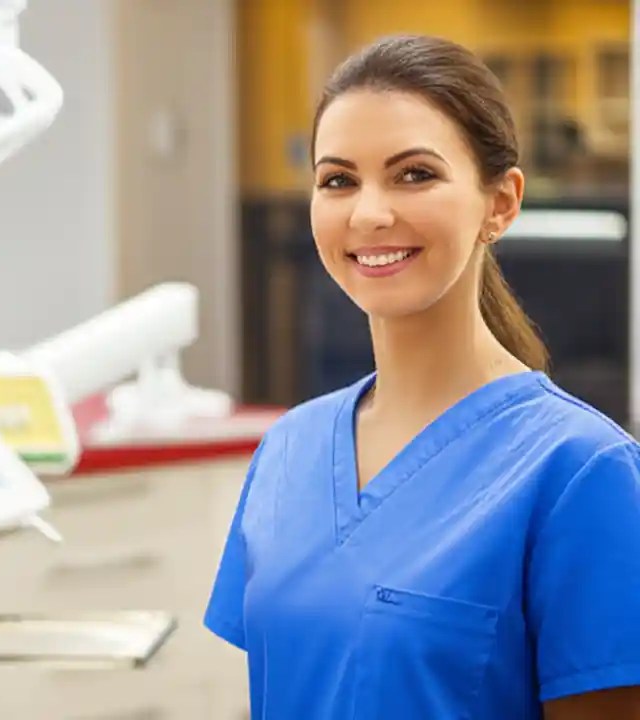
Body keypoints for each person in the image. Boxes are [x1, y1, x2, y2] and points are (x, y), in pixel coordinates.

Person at [203, 34, 640, 720]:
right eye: (338, 180)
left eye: (414, 174)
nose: (370, 213)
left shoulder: (581, 473)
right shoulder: (289, 449)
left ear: (500, 203)